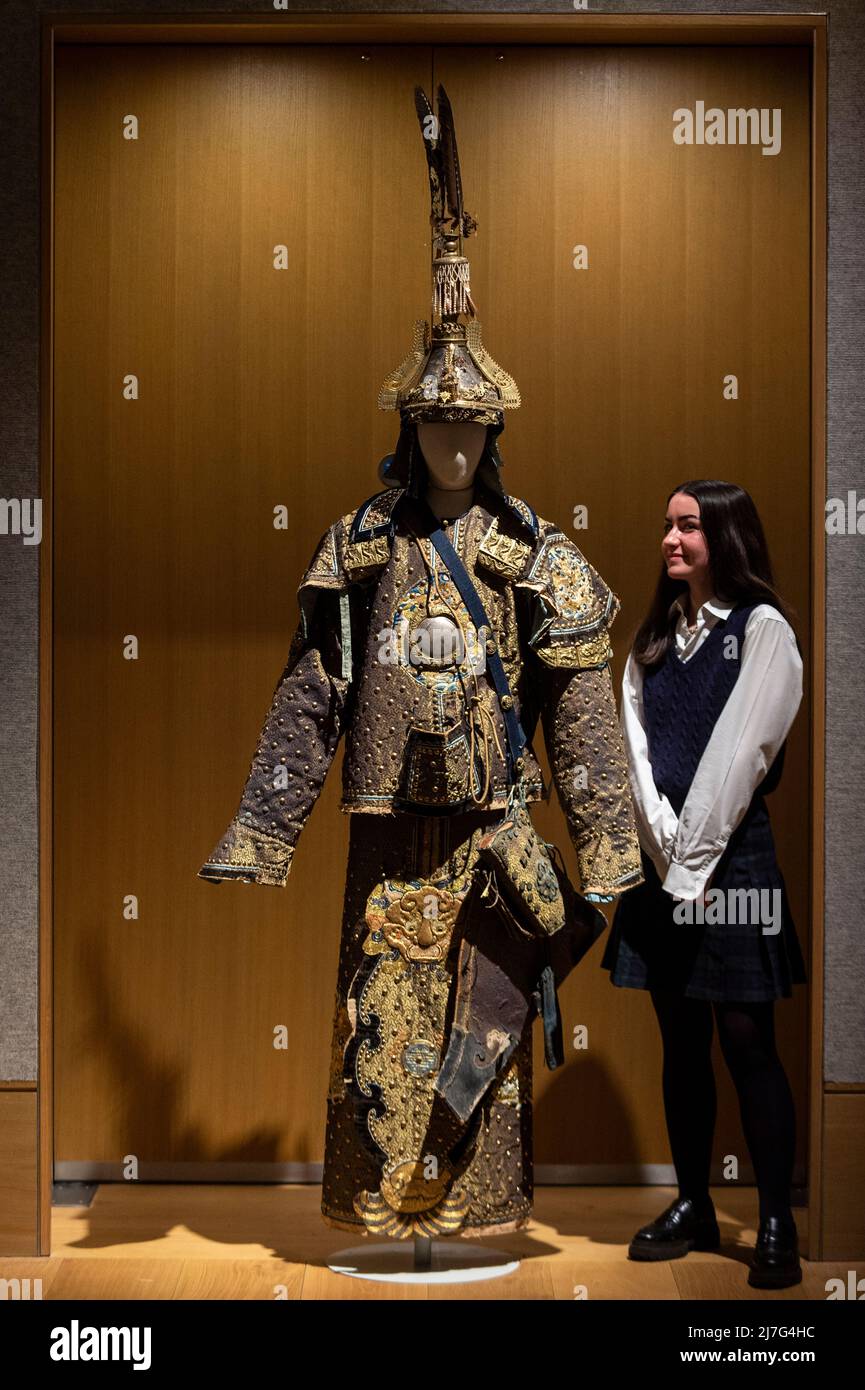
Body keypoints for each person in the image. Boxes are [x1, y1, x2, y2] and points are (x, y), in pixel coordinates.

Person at [600, 479, 807, 1289]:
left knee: (746, 1041)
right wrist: (664, 850)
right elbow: (634, 752)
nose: (670, 539)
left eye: (687, 526)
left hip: (732, 860)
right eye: (666, 525)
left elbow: (740, 755)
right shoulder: (652, 638)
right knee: (679, 1039)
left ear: (725, 535)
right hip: (663, 863)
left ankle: (775, 1222)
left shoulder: (762, 631)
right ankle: (691, 1203)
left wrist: (691, 860)